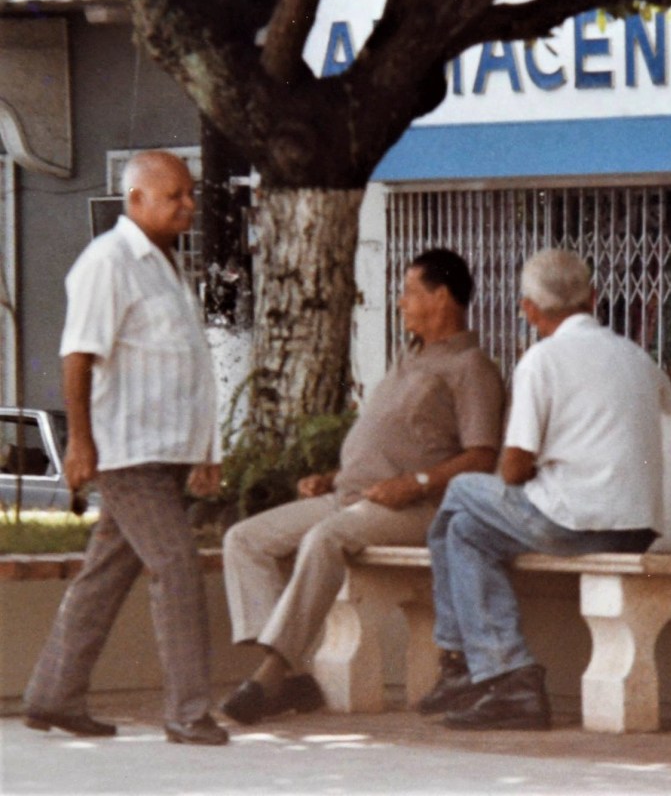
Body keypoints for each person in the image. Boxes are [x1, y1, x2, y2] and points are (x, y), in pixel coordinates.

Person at [221, 248, 505, 724]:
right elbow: (391, 438)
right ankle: (292, 680)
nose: (401, 302)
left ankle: (271, 675)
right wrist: (332, 477)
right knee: (244, 540)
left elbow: (481, 456)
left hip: (419, 507)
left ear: (441, 298)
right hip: (354, 495)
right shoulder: (409, 358)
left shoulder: (471, 367)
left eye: (410, 292)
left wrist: (413, 485)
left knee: (324, 539)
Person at [418, 248, 671, 731]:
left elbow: (513, 469)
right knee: (466, 532)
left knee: (459, 494)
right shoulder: (637, 357)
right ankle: (504, 678)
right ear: (593, 298)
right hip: (637, 527)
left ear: (529, 309)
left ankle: (457, 656)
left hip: (573, 523)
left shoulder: (541, 359)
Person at [23, 150, 229, 746]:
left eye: (191, 193)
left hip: (166, 452)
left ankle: (52, 695)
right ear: (135, 200)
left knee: (104, 575)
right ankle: (188, 713)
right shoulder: (107, 262)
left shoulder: (165, 264)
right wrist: (80, 442)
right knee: (177, 566)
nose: (189, 204)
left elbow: (189, 367)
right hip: (127, 453)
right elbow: (77, 354)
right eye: (176, 196)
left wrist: (206, 448)